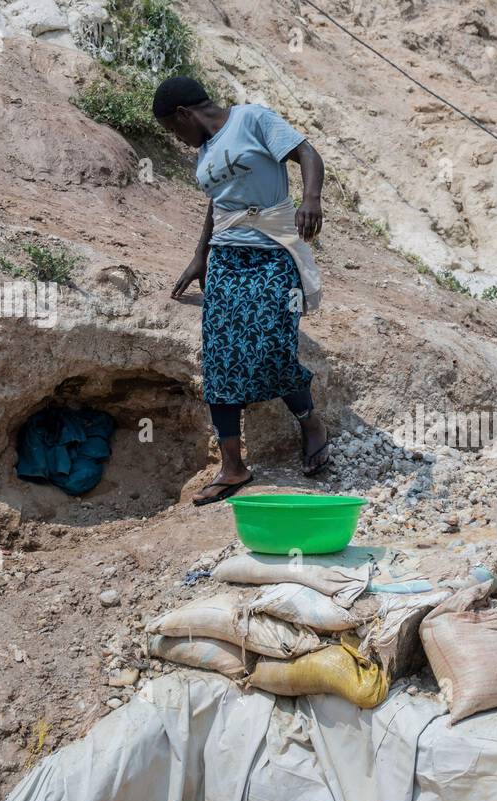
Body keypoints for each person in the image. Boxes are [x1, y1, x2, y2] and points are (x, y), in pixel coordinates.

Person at [153, 76, 330, 506]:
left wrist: (311, 197)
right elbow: (219, 205)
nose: (177, 139)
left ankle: (311, 424)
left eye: (173, 130)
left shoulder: (252, 118)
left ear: (183, 114)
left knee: (272, 345)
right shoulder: (205, 153)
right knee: (219, 359)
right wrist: (201, 257)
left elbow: (307, 153)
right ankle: (233, 466)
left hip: (272, 254)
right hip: (227, 259)